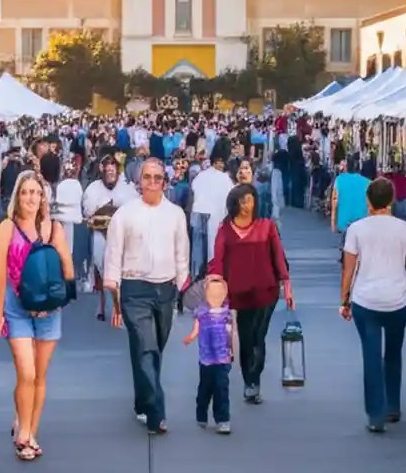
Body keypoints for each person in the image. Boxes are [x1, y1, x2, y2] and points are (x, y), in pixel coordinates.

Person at [0, 171, 75, 461]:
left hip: (49, 311)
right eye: (25, 192)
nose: (30, 197)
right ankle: (24, 435)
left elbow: (68, 270)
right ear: (18, 196)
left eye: (35, 192)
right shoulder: (6, 227)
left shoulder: (54, 229)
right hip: (16, 307)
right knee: (25, 373)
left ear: (43, 197)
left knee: (39, 376)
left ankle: (29, 428)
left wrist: (55, 299)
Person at [103, 158, 190, 435]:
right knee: (145, 348)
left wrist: (181, 282)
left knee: (154, 349)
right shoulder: (125, 214)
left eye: (157, 178)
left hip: (165, 288)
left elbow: (182, 250)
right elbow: (114, 252)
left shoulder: (176, 214)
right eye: (147, 177)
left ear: (165, 182)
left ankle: (143, 401)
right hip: (134, 288)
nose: (152, 182)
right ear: (139, 181)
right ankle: (156, 412)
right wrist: (112, 287)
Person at [338, 178, 406, 432]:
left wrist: (344, 300)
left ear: (368, 201)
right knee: (393, 354)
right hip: (398, 299)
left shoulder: (357, 229)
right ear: (392, 200)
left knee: (371, 356)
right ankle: (393, 406)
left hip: (366, 299)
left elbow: (348, 268)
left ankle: (375, 414)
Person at [208, 183, 292, 404]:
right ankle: (249, 381)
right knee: (246, 338)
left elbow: (278, 257)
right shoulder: (225, 229)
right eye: (243, 201)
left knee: (258, 336)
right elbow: (218, 260)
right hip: (240, 293)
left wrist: (287, 285)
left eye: (250, 200)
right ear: (234, 204)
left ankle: (254, 380)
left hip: (267, 291)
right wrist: (215, 289)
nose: (247, 205)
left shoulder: (267, 226)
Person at [83, 155, 138, 320]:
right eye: (107, 170)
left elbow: (133, 210)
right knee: (101, 270)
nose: (110, 174)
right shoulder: (93, 189)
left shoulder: (128, 188)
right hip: (100, 234)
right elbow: (88, 212)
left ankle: (121, 306)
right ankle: (102, 307)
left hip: (122, 236)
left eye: (113, 170)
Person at [183, 276, 236, 434]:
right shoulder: (202, 312)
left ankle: (223, 419)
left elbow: (230, 333)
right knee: (205, 388)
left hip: (222, 357)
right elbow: (196, 328)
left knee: (221, 387)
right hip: (206, 358)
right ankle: (201, 413)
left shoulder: (227, 313)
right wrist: (190, 337)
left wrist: (232, 351)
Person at [190, 149, 233, 278]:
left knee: (197, 261)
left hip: (198, 217)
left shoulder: (200, 176)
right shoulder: (226, 179)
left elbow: (193, 190)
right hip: (214, 219)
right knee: (212, 258)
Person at [53, 159, 88, 286]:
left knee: (66, 248)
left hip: (63, 220)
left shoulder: (61, 185)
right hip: (75, 221)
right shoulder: (77, 185)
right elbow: (81, 201)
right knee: (75, 249)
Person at [332, 155, 370, 260]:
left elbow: (334, 200)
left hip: (344, 219)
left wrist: (333, 221)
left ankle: (345, 257)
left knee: (346, 242)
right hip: (362, 219)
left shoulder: (339, 180)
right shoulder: (367, 182)